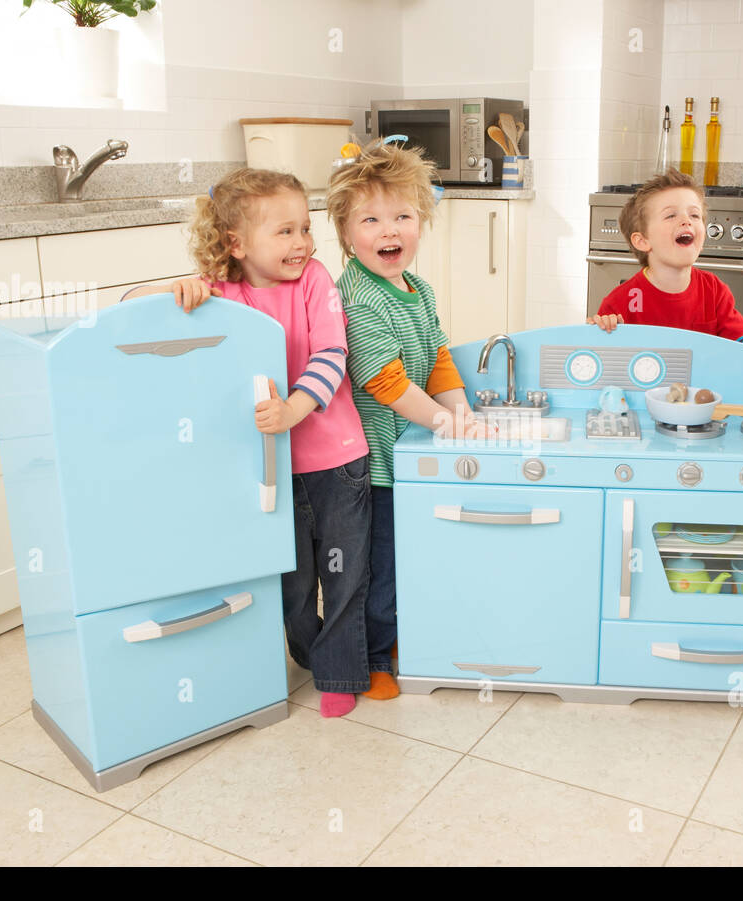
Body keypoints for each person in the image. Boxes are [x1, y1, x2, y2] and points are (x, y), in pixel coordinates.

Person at [124, 168, 373, 719]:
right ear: (236, 243)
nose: (302, 243)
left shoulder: (314, 280)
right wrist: (174, 288)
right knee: (289, 576)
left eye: (305, 229)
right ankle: (308, 651)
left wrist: (293, 411)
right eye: (285, 232)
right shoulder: (222, 290)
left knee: (344, 572)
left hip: (336, 460)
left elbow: (332, 356)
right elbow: (128, 305)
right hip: (266, 467)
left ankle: (339, 671)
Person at [326, 142, 493, 699]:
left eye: (402, 216)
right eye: (370, 219)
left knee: (415, 553)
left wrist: (461, 412)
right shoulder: (355, 296)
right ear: (347, 234)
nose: (388, 230)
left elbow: (438, 356)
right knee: (381, 567)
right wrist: (448, 427)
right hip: (376, 464)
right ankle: (374, 659)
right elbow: (385, 380)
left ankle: (397, 638)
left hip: (415, 454)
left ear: (422, 222)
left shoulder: (416, 290)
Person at [587, 168, 743, 361]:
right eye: (670, 215)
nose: (687, 221)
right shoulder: (620, 303)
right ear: (642, 241)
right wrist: (600, 333)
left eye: (694, 215)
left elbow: (742, 344)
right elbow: (601, 361)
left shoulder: (714, 291)